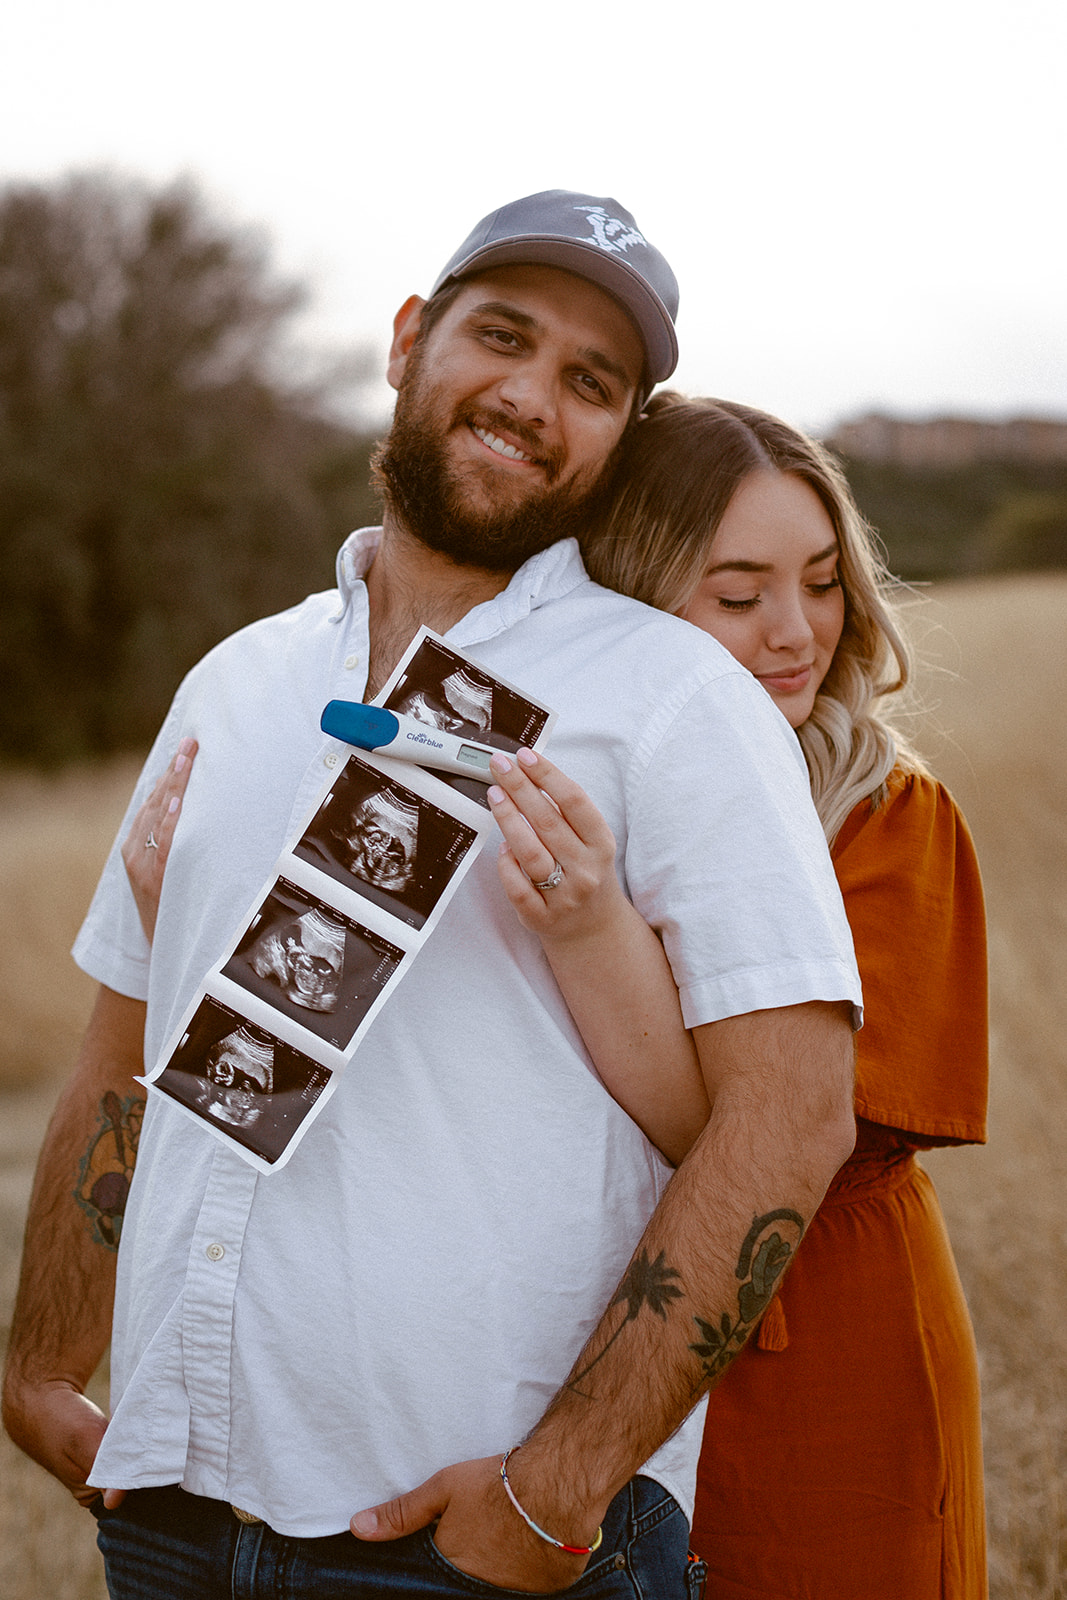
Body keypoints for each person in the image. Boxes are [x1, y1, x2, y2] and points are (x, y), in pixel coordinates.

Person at [2, 193, 861, 1598]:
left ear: (617, 435)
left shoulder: (668, 700)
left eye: (590, 382)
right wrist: (41, 1361)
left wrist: (552, 1492)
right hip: (174, 1515)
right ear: (410, 341)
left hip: (460, 1539)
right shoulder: (243, 681)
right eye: (501, 338)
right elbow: (132, 1045)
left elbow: (789, 1118)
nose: (530, 396)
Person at [550, 392, 983, 1597]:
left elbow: (774, 1138)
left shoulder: (884, 817)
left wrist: (591, 933)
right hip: (595, 1331)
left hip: (817, 1334)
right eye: (735, 595)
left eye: (820, 581)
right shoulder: (578, 794)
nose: (793, 632)